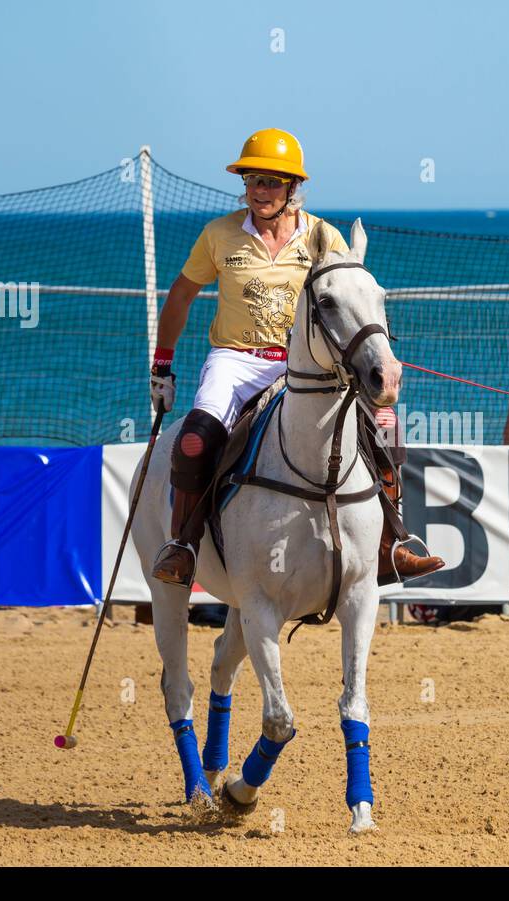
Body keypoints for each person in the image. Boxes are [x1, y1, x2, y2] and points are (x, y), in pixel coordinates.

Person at [148, 128, 442, 588]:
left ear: (292, 188)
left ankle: (391, 543)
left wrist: (369, 355)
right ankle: (183, 545)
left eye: (271, 182)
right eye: (252, 180)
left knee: (386, 428)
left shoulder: (323, 236)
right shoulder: (219, 235)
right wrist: (162, 366)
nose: (259, 191)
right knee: (194, 440)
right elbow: (182, 295)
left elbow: (353, 296)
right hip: (236, 361)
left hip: (305, 364)